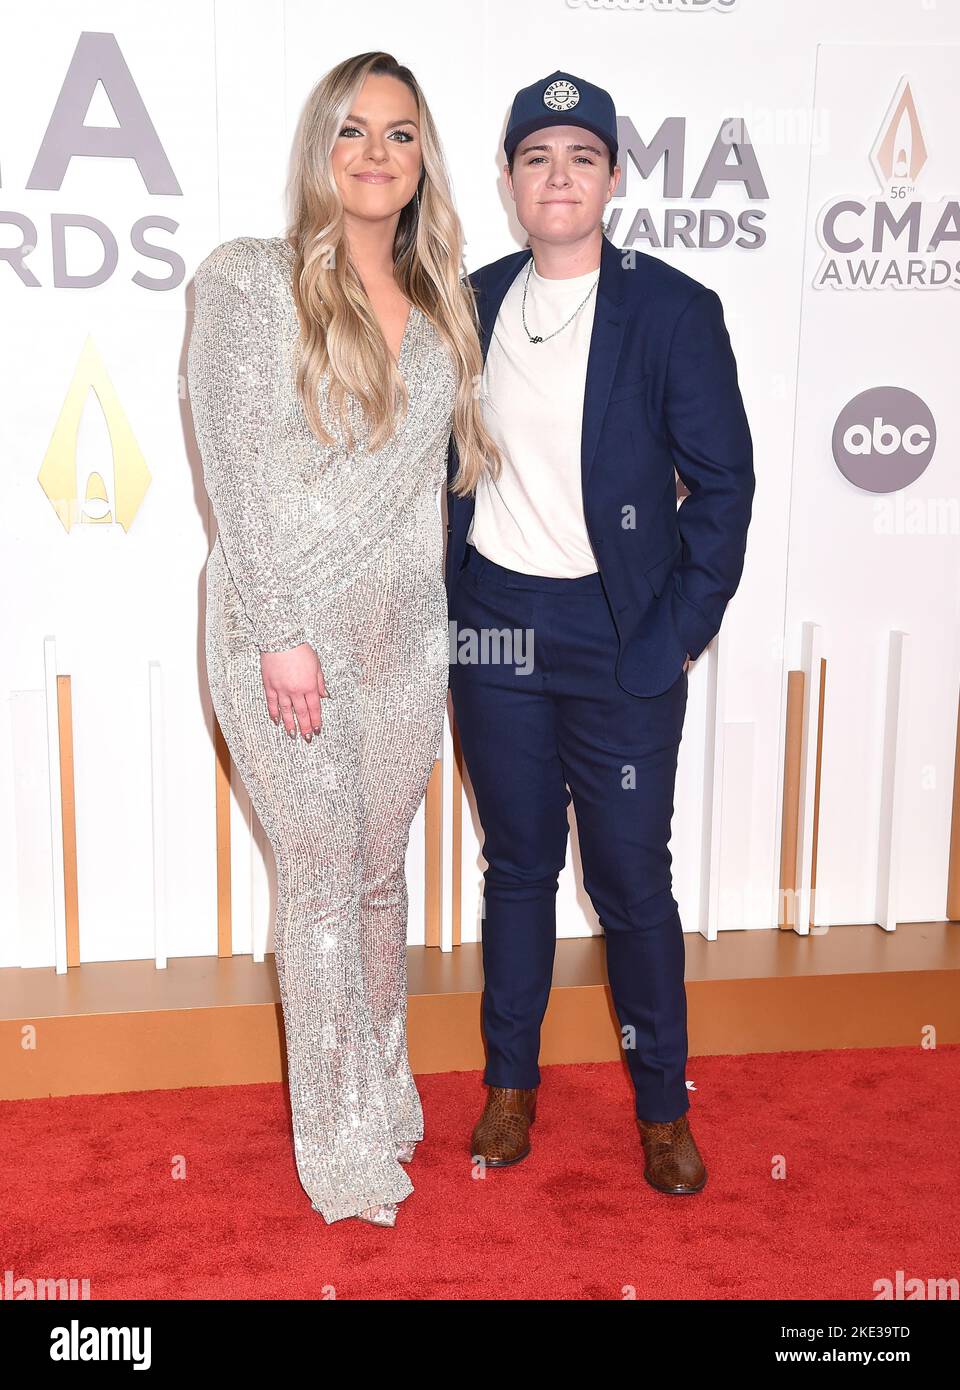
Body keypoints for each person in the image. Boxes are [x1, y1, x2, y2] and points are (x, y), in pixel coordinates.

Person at [187, 52, 499, 1227]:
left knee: (378, 880)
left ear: (425, 160)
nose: (377, 154)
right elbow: (236, 469)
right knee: (320, 880)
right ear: (320, 148)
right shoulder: (249, 281)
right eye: (353, 130)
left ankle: (382, 1085)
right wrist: (277, 631)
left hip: (406, 636)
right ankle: (340, 1142)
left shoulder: (443, 309)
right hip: (287, 631)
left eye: (401, 134)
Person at [446, 70, 755, 1194]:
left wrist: (676, 631)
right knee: (517, 867)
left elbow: (723, 487)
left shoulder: (671, 309)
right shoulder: (467, 301)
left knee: (630, 880)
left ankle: (663, 1106)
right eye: (538, 158)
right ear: (512, 181)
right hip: (494, 627)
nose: (559, 175)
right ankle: (510, 1087)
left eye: (581, 156)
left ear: (615, 177)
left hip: (619, 632)